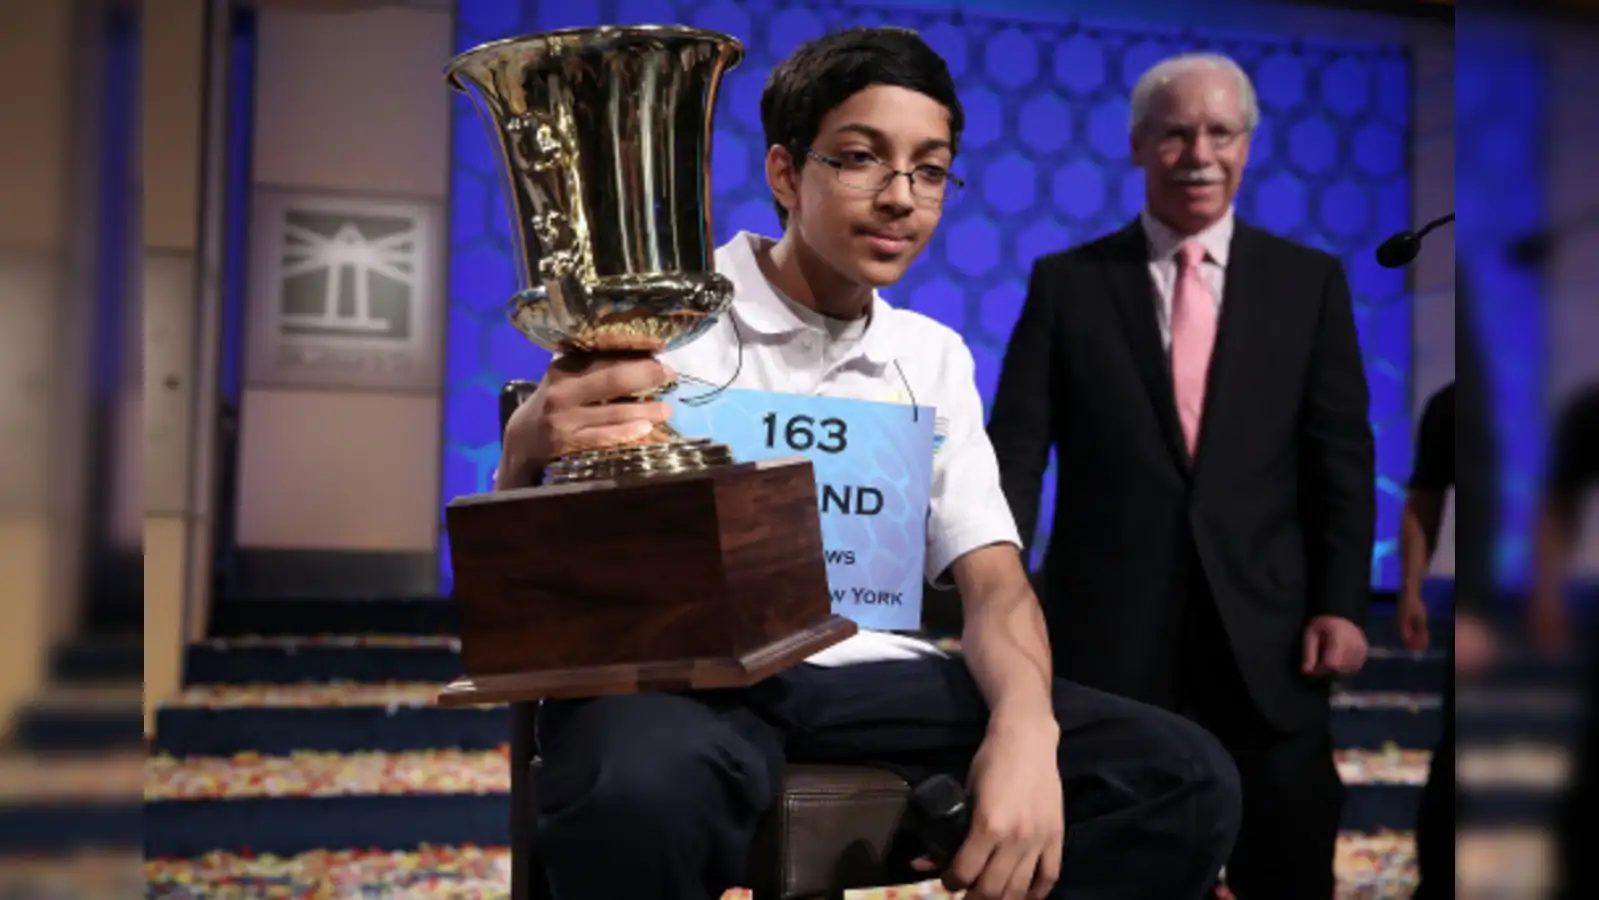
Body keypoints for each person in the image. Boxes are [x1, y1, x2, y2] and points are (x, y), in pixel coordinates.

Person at [494, 28, 1240, 900]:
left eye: (930, 171)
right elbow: (544, 568)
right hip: (684, 680)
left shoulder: (931, 356)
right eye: (859, 159)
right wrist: (526, 447)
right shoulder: (660, 321)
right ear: (784, 173)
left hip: (873, 684)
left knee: (1180, 775)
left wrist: (1025, 728)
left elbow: (995, 587)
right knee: (636, 790)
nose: (900, 199)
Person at [986, 52, 1374, 899]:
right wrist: (999, 596)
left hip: (1271, 639)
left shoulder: (1308, 283)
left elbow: (1339, 457)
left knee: (1287, 858)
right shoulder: (1067, 284)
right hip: (1107, 636)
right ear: (1137, 146)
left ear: (1247, 145)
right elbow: (1013, 451)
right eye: (1175, 134)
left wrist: (1342, 602)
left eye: (1220, 133)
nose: (1199, 154)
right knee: (1110, 871)